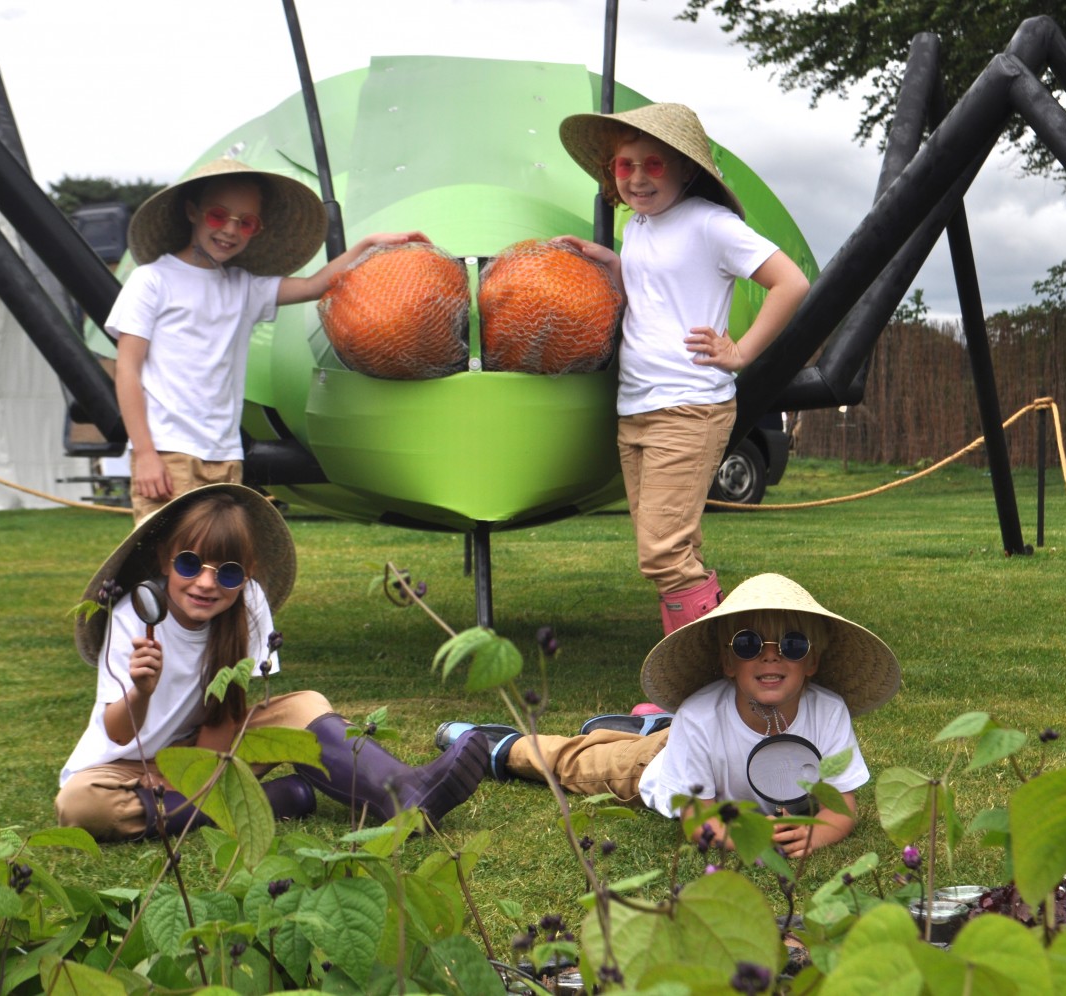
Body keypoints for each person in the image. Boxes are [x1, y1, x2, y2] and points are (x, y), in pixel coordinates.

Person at [56, 483, 489, 841]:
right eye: (190, 564)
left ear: (248, 572)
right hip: (120, 767)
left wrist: (187, 773)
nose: (207, 583)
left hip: (202, 750)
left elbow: (227, 716)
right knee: (78, 805)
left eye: (227, 572)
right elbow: (115, 730)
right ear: (165, 556)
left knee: (304, 706)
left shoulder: (249, 603)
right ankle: (275, 801)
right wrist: (142, 691)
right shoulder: (135, 612)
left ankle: (404, 794)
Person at [552, 104, 812, 634]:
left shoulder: (710, 224)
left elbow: (791, 283)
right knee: (674, 547)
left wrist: (741, 352)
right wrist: (611, 264)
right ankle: (703, 670)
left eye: (654, 164)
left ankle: (705, 672)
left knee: (663, 553)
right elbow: (656, 295)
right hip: (637, 407)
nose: (639, 178)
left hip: (689, 405)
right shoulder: (642, 228)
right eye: (625, 166)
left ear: (686, 169)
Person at [436, 574, 899, 859]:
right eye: (749, 645)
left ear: (812, 662)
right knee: (578, 764)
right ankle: (492, 743)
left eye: (792, 646)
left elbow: (844, 804)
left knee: (638, 738)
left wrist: (818, 835)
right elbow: (695, 814)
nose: (770, 659)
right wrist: (742, 838)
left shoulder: (828, 711)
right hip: (655, 766)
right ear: (728, 662)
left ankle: (643, 724)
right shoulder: (700, 716)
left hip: (680, 741)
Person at [110, 157, 428, 520]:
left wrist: (368, 244)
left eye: (246, 223)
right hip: (168, 453)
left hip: (225, 454)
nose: (230, 230)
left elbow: (314, 286)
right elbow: (127, 371)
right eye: (218, 215)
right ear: (192, 212)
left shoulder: (242, 288)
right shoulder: (152, 281)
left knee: (216, 564)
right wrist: (146, 454)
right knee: (168, 562)